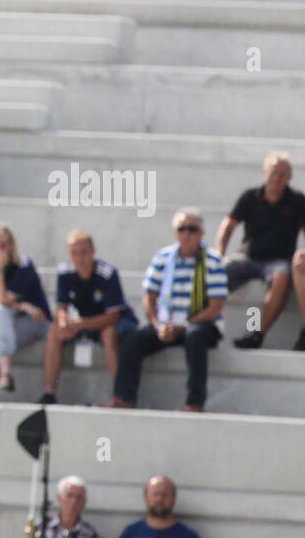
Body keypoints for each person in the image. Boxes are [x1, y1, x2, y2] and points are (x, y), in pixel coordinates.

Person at [110, 210, 228, 412]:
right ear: (175, 232)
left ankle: (194, 402)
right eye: (182, 229)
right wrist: (158, 326)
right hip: (166, 324)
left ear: (201, 233)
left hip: (199, 325)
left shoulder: (213, 261)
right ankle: (124, 397)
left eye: (192, 229)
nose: (187, 234)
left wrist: (183, 327)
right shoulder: (163, 258)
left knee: (195, 337)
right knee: (133, 339)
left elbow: (215, 306)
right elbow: (149, 297)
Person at [214, 152, 305, 350]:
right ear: (265, 173)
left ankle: (256, 333)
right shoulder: (250, 197)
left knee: (281, 278)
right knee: (214, 273)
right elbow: (227, 226)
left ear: (289, 177)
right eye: (274, 172)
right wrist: (218, 254)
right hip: (246, 257)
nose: (277, 178)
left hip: (279, 261)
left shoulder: (298, 202)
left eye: (282, 174)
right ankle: (205, 325)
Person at [40, 230, 137, 404]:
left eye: (84, 252)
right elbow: (61, 306)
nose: (80, 258)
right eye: (74, 253)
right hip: (86, 323)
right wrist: (63, 322)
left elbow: (113, 316)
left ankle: (120, 395)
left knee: (109, 334)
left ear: (93, 251)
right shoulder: (65, 272)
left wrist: (80, 324)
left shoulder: (107, 273)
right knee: (55, 331)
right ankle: (49, 392)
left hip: (116, 322)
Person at [0, 222, 50, 401]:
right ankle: (5, 374)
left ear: (12, 245)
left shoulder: (23, 264)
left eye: (4, 245)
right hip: (11, 318)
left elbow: (0, 298)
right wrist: (24, 305)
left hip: (36, 322)